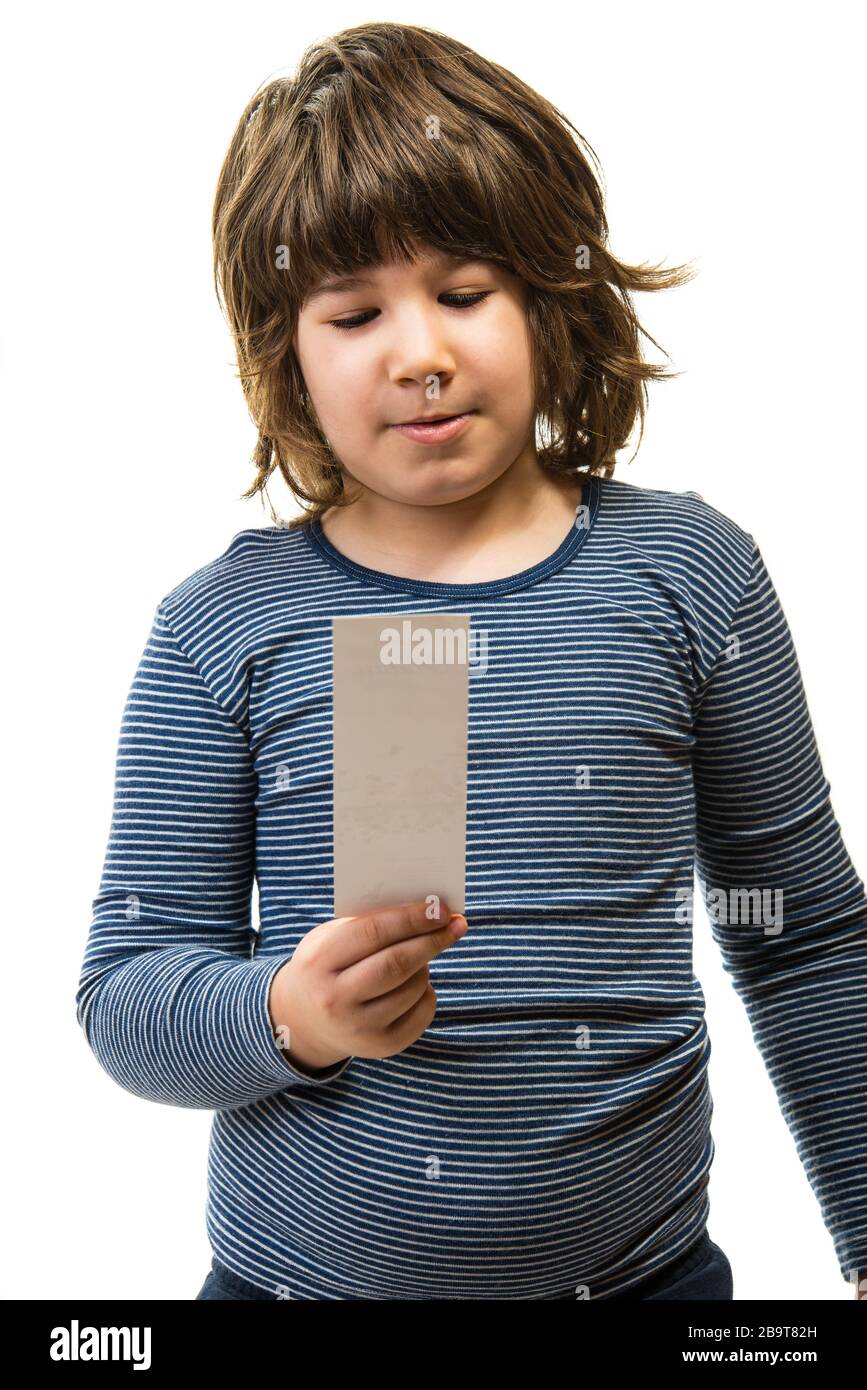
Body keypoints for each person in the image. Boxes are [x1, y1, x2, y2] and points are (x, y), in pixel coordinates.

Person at [75, 21, 867, 1301]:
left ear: (551, 301)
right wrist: (291, 1016)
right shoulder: (223, 626)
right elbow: (127, 994)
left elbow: (800, 934)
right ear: (289, 352)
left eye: (463, 291)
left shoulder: (691, 575)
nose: (419, 351)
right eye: (353, 312)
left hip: (646, 1284)